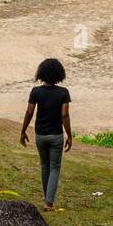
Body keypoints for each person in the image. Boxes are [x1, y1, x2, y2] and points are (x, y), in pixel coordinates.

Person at [19, 58, 72, 210]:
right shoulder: (63, 93)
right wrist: (69, 135)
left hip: (40, 135)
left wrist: (23, 131)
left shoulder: (36, 92)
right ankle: (48, 202)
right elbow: (64, 116)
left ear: (41, 73)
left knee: (45, 166)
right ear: (59, 74)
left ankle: (46, 198)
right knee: (55, 167)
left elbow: (29, 113)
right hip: (56, 135)